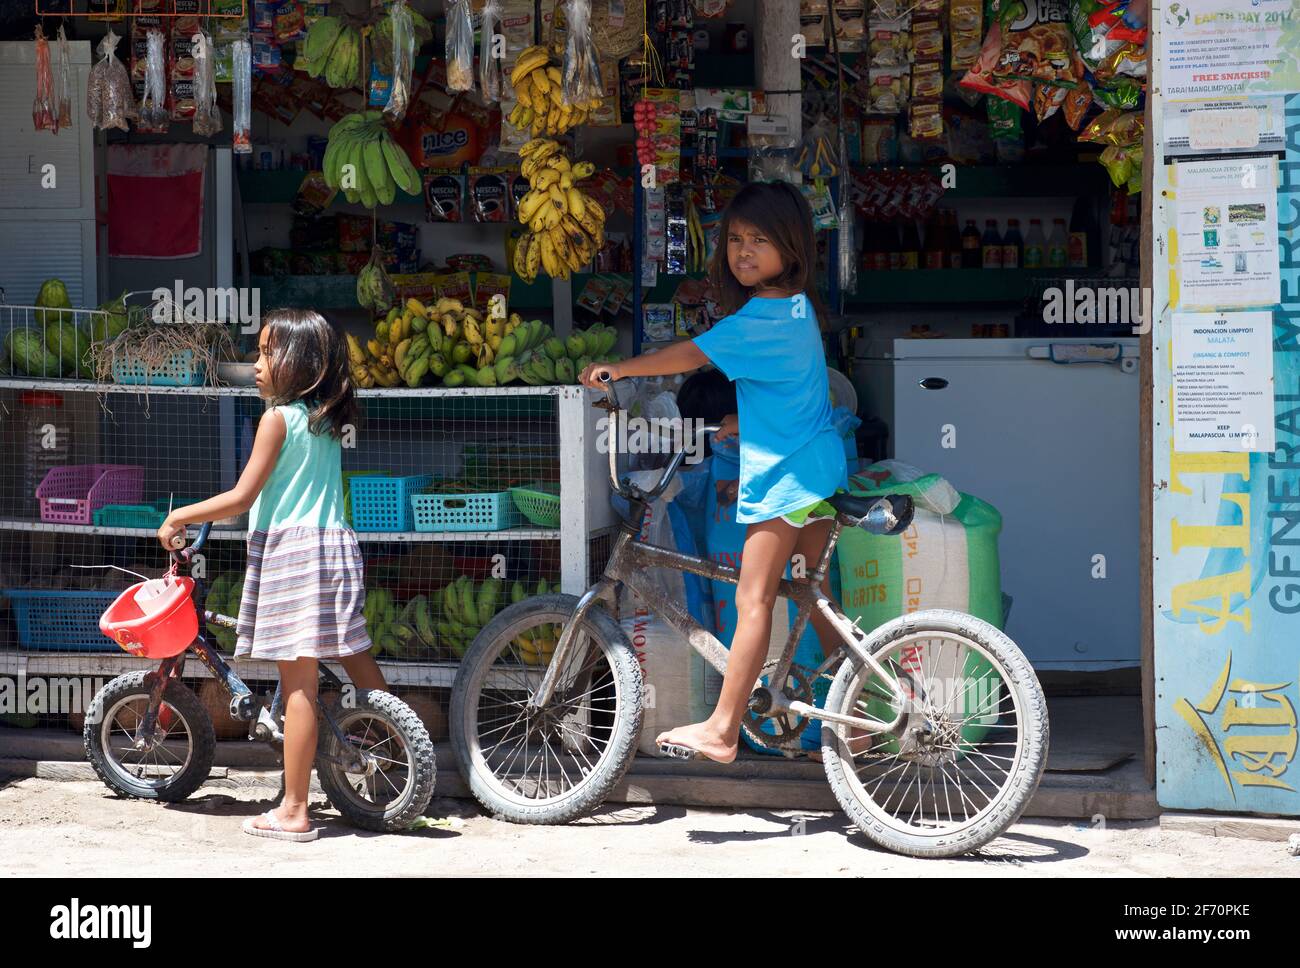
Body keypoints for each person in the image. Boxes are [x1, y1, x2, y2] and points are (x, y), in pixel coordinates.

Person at [579, 181, 849, 764]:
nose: (743, 251)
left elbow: (690, 354)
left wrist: (617, 370)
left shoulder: (763, 317)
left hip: (787, 476)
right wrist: (743, 421)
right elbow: (794, 392)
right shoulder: (798, 308)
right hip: (817, 464)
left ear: (791, 248)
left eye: (760, 240)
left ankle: (724, 730)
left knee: (754, 601)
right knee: (814, 597)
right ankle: (865, 716)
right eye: (735, 239)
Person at [158, 309, 387, 841]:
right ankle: (395, 751)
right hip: (334, 548)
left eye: (266, 353)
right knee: (354, 653)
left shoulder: (278, 419)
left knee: (298, 683)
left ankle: (295, 808)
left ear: (300, 363)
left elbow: (242, 497)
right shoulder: (323, 418)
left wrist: (179, 515)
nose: (256, 365)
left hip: (293, 555)